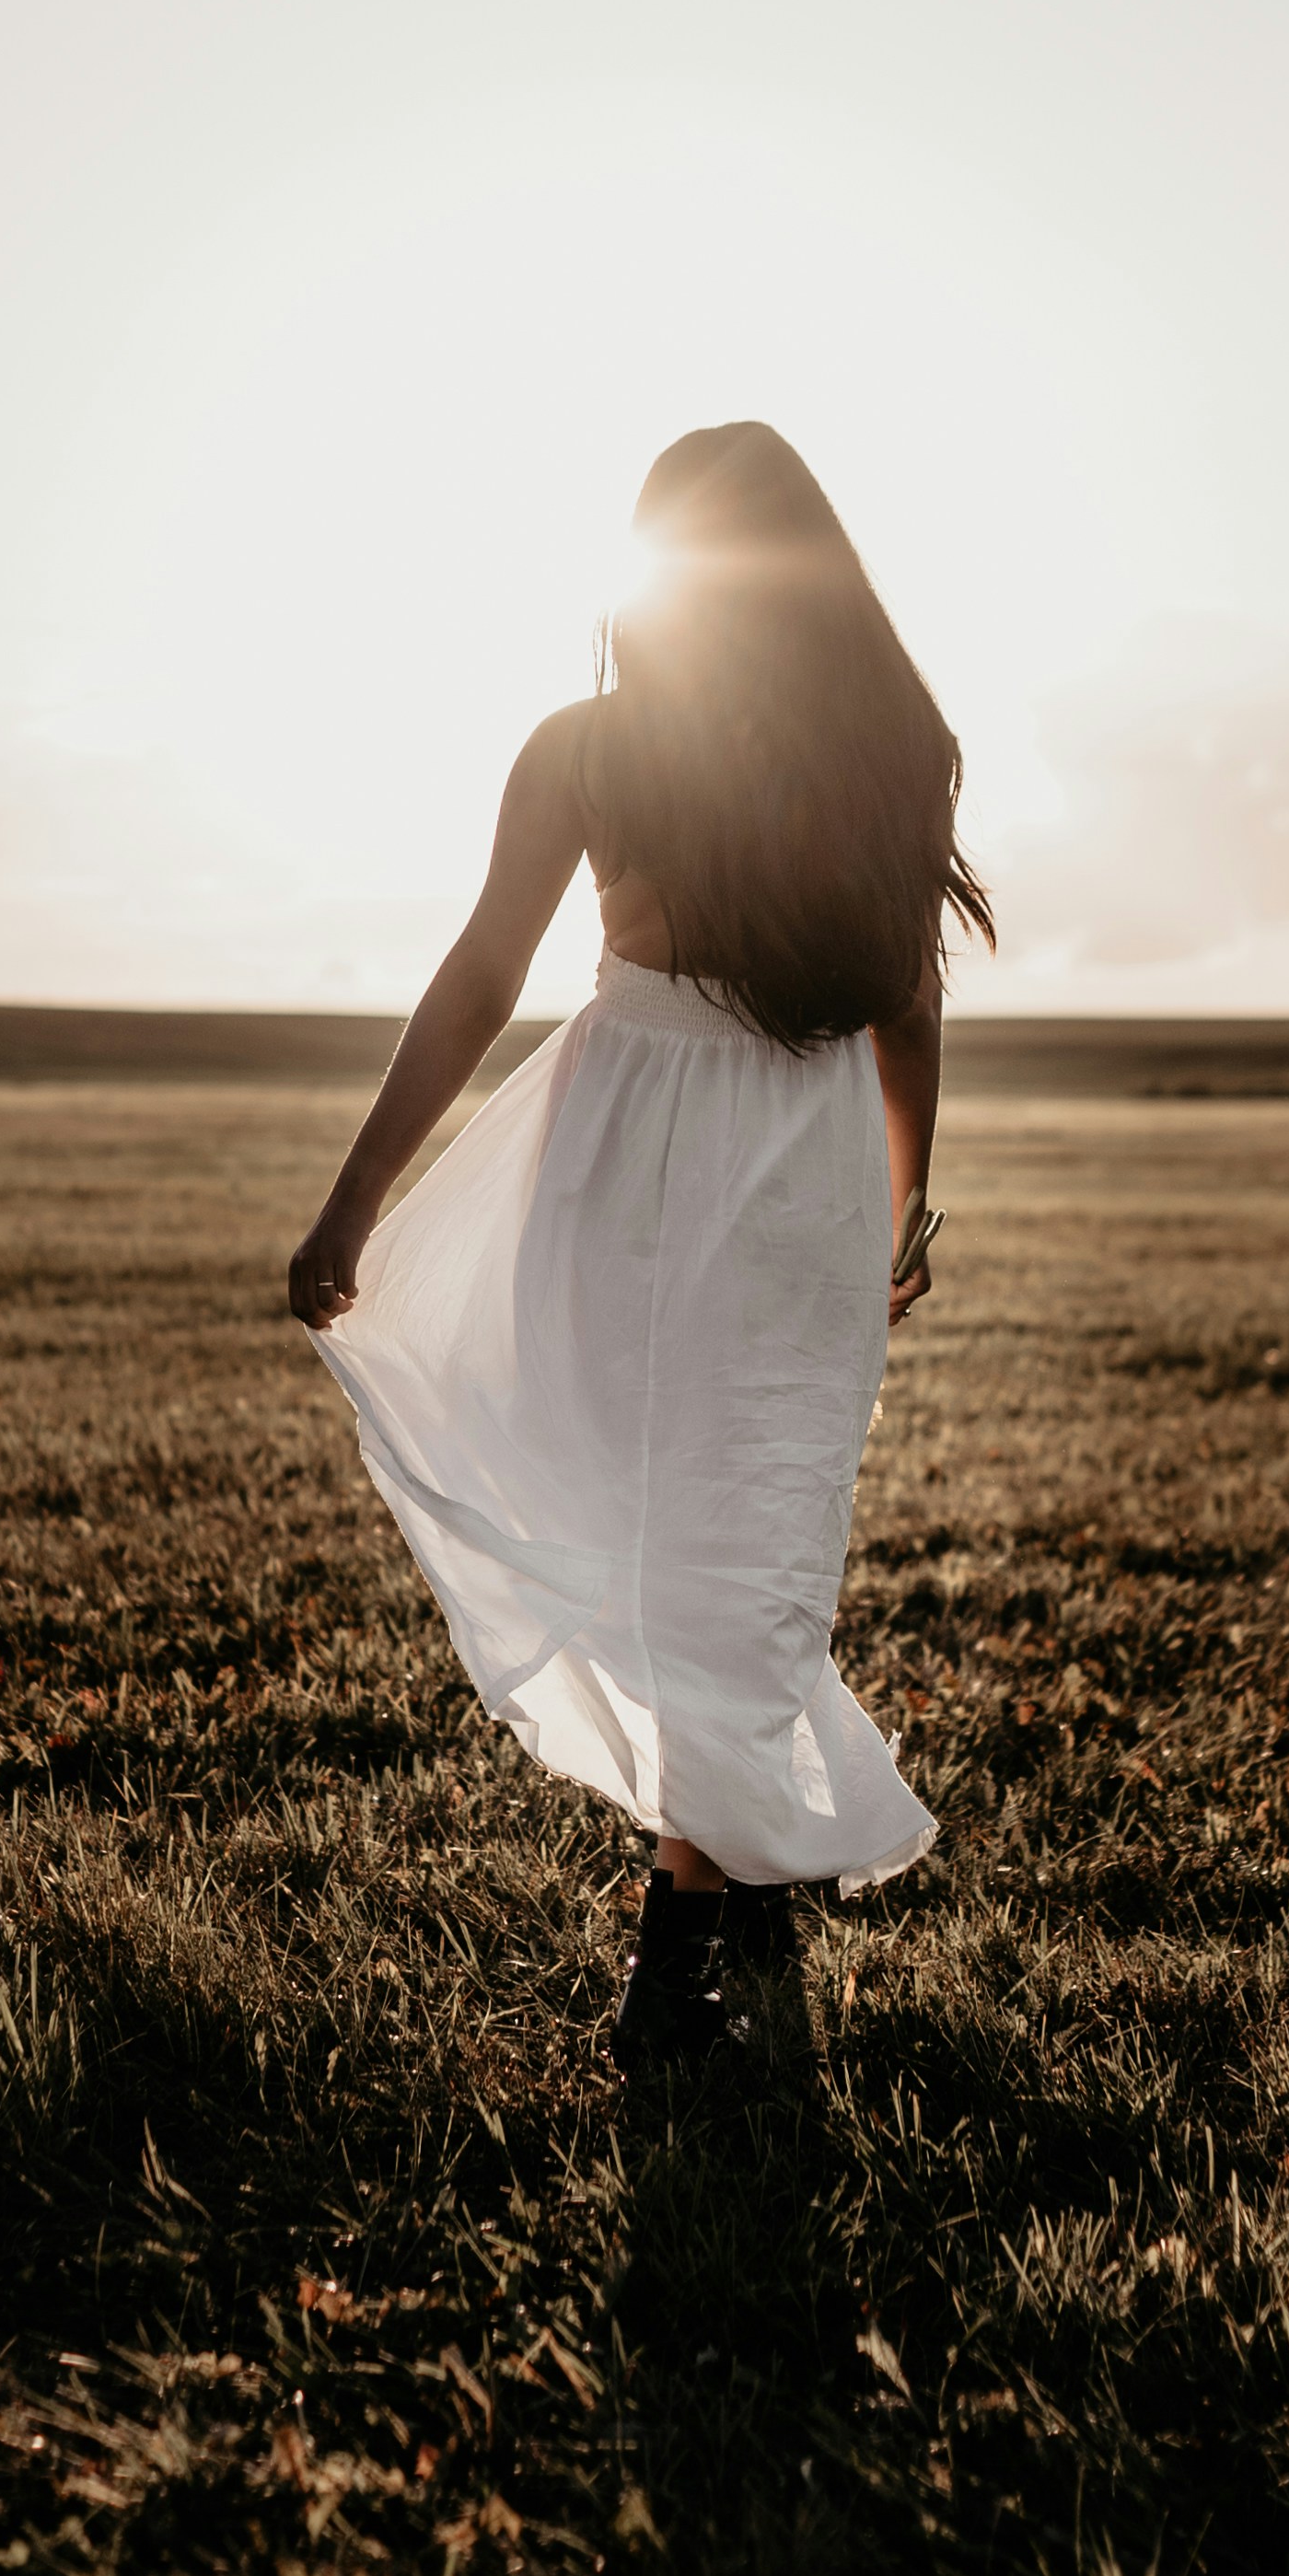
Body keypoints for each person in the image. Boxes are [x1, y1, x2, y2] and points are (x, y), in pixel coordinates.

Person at [287, 422, 992, 2071]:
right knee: (711, 1546)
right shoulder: (865, 743)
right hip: (769, 1171)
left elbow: (478, 977)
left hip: (647, 1160)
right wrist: (898, 1199)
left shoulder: (606, 745)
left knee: (720, 1554)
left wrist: (355, 1193)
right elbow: (906, 1006)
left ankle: (681, 1925)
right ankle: (729, 1858)